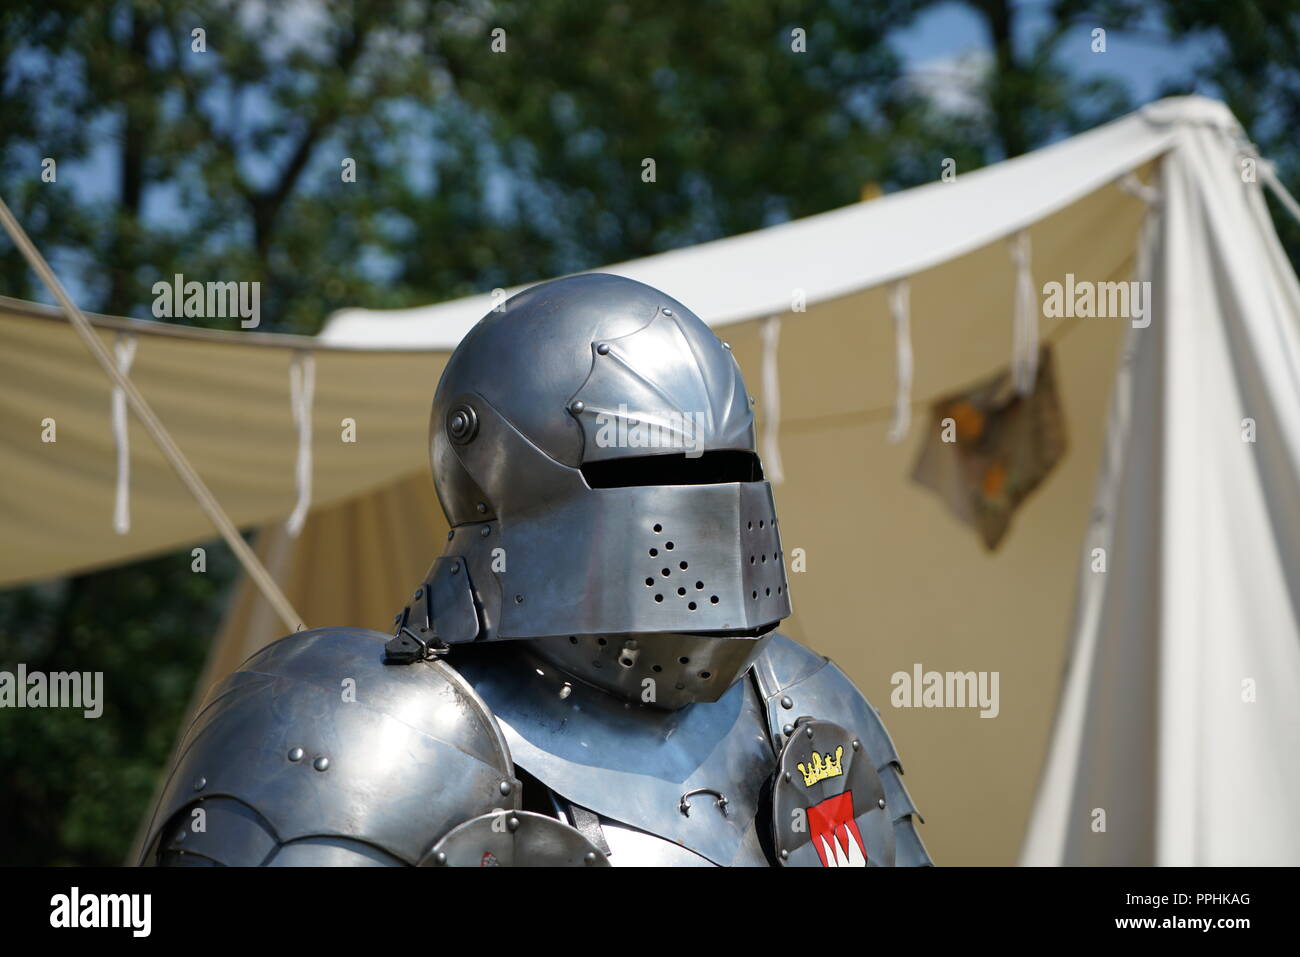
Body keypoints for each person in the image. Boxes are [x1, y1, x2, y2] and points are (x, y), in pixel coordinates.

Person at [139, 273, 931, 867]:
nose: (712, 519)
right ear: (501, 480)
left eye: (730, 471)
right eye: (650, 475)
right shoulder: (368, 733)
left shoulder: (806, 706)